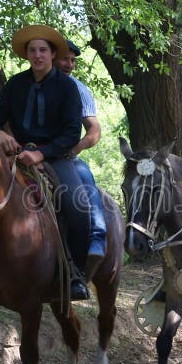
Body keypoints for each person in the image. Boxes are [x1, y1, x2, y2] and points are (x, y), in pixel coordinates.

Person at [0, 24, 96, 301]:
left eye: (43, 50)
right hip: (16, 154)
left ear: (51, 54)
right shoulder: (15, 84)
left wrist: (41, 153)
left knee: (77, 205)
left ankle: (75, 272)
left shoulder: (68, 87)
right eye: (33, 50)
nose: (38, 55)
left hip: (54, 157)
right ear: (27, 55)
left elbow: (72, 131)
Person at [54, 39, 107, 270]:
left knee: (86, 182)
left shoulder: (78, 88)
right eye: (64, 58)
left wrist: (76, 148)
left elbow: (94, 130)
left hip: (65, 157)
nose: (69, 64)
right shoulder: (27, 85)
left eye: (72, 60)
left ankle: (97, 238)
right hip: (29, 153)